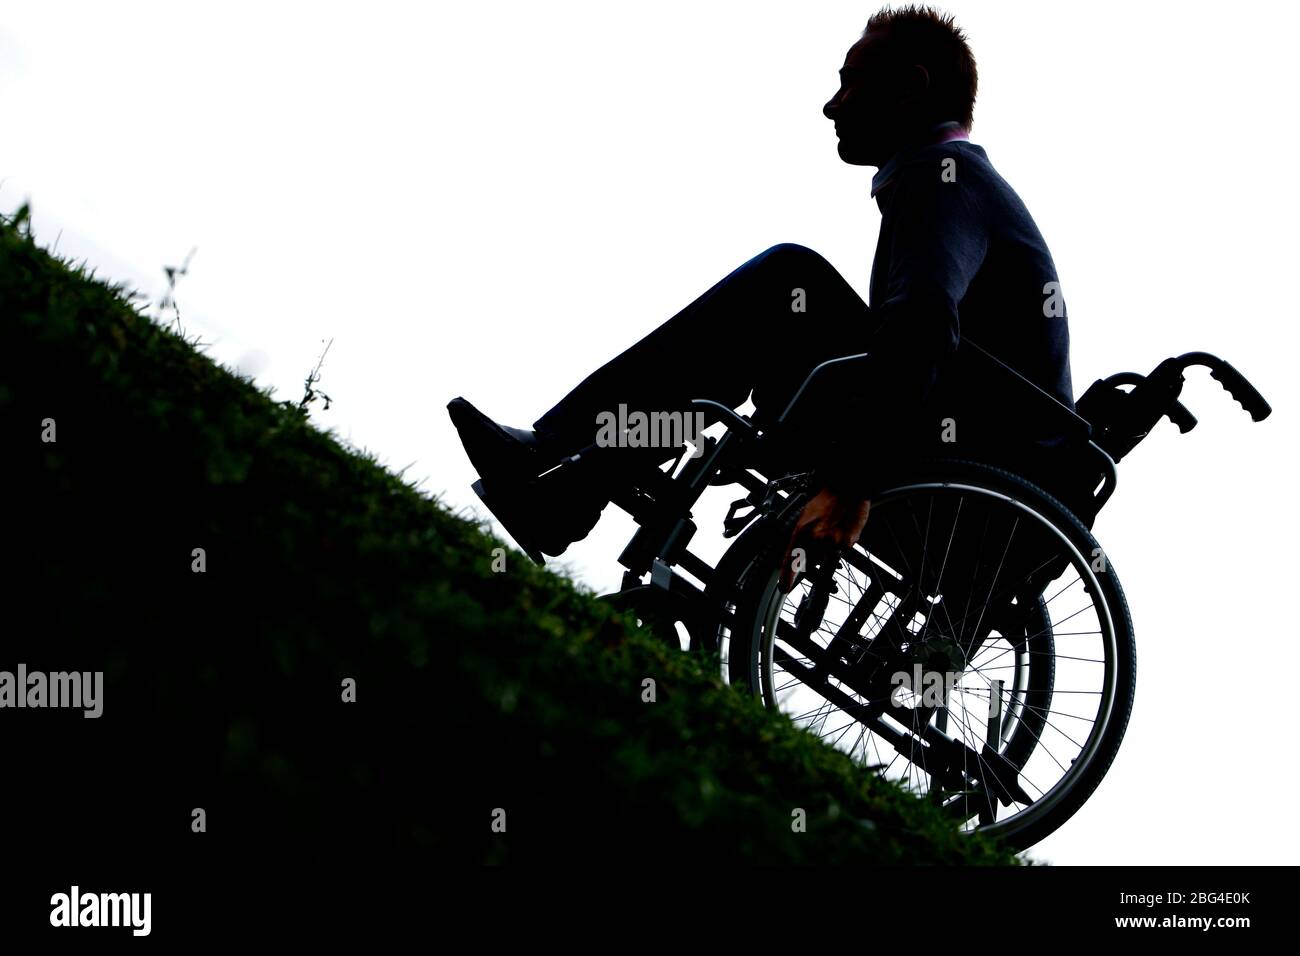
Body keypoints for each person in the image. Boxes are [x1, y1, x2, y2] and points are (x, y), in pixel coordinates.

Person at [448, 5, 1074, 592]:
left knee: (789, 282)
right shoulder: (951, 182)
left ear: (911, 88)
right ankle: (568, 476)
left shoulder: (948, 178)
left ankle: (559, 468)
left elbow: (924, 326)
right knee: (782, 299)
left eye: (852, 84)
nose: (832, 106)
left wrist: (851, 481)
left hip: (962, 496)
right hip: (967, 472)